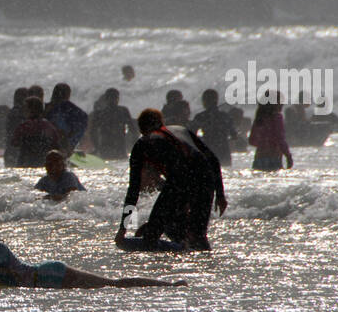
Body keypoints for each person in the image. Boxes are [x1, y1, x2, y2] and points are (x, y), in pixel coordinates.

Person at [0, 215, 185, 290]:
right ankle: (166, 284)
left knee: (112, 285)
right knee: (111, 285)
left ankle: (168, 284)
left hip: (51, 275)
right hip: (45, 282)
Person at [118, 108, 227, 251]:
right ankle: (204, 265)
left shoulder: (142, 144)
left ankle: (160, 259)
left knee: (151, 237)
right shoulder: (181, 129)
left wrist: (123, 229)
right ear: (161, 122)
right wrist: (220, 194)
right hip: (206, 179)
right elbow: (212, 160)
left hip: (180, 180)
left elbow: (133, 190)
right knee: (198, 237)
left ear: (142, 129)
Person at [189, 89, 241, 167]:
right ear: (216, 100)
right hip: (224, 149)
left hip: (208, 149)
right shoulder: (225, 116)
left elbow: (191, 135)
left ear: (204, 102)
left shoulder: (200, 117)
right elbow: (234, 136)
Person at [9, 98, 63, 167]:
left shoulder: (24, 126)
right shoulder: (49, 126)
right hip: (43, 161)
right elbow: (56, 145)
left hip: (26, 161)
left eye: (25, 108)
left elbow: (14, 143)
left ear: (31, 110)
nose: (23, 110)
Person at [89, 88, 137, 160]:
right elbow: (133, 130)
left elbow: (92, 132)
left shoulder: (100, 113)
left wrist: (96, 147)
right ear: (118, 98)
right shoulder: (123, 111)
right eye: (115, 98)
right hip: (119, 147)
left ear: (105, 99)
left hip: (106, 147)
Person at [249, 99, 293, 171]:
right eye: (280, 102)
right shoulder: (277, 117)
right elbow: (280, 139)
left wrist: (263, 144)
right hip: (274, 157)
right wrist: (288, 156)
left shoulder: (259, 118)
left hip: (259, 158)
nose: (282, 104)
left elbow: (251, 141)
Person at [46, 83, 89, 154]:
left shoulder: (46, 109)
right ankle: (69, 149)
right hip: (67, 147)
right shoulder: (79, 113)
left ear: (53, 94)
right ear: (68, 95)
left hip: (50, 147)